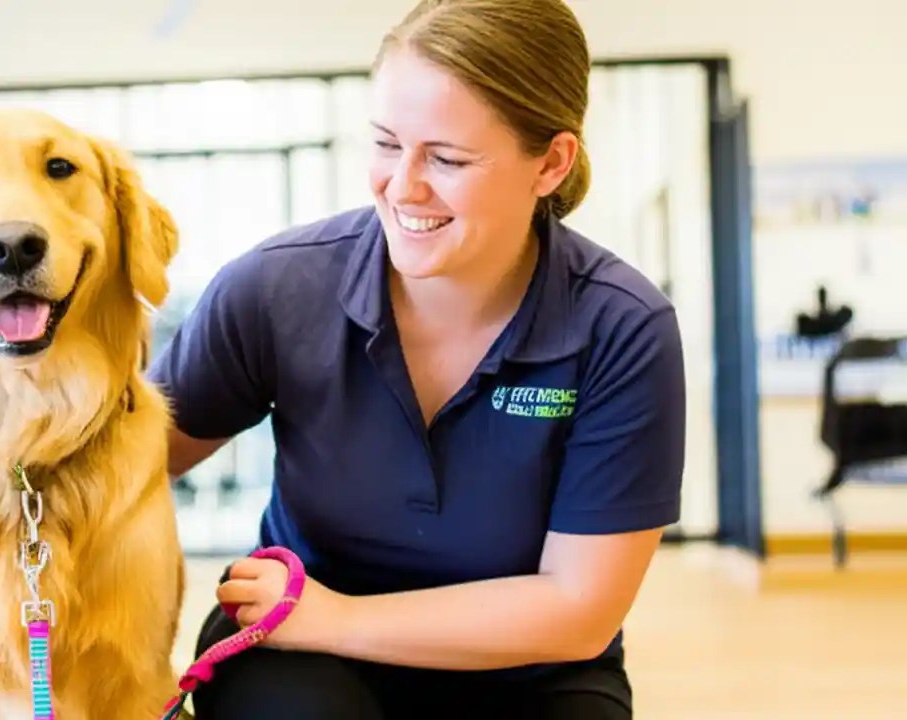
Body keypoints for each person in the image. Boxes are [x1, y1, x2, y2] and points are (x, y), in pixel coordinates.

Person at [146, 0, 686, 717]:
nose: (403, 186)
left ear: (551, 163)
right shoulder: (276, 289)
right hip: (300, 660)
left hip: (524, 669)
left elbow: (577, 610)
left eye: (447, 158)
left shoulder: (622, 327)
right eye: (386, 144)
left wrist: (332, 615)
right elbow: (119, 472)